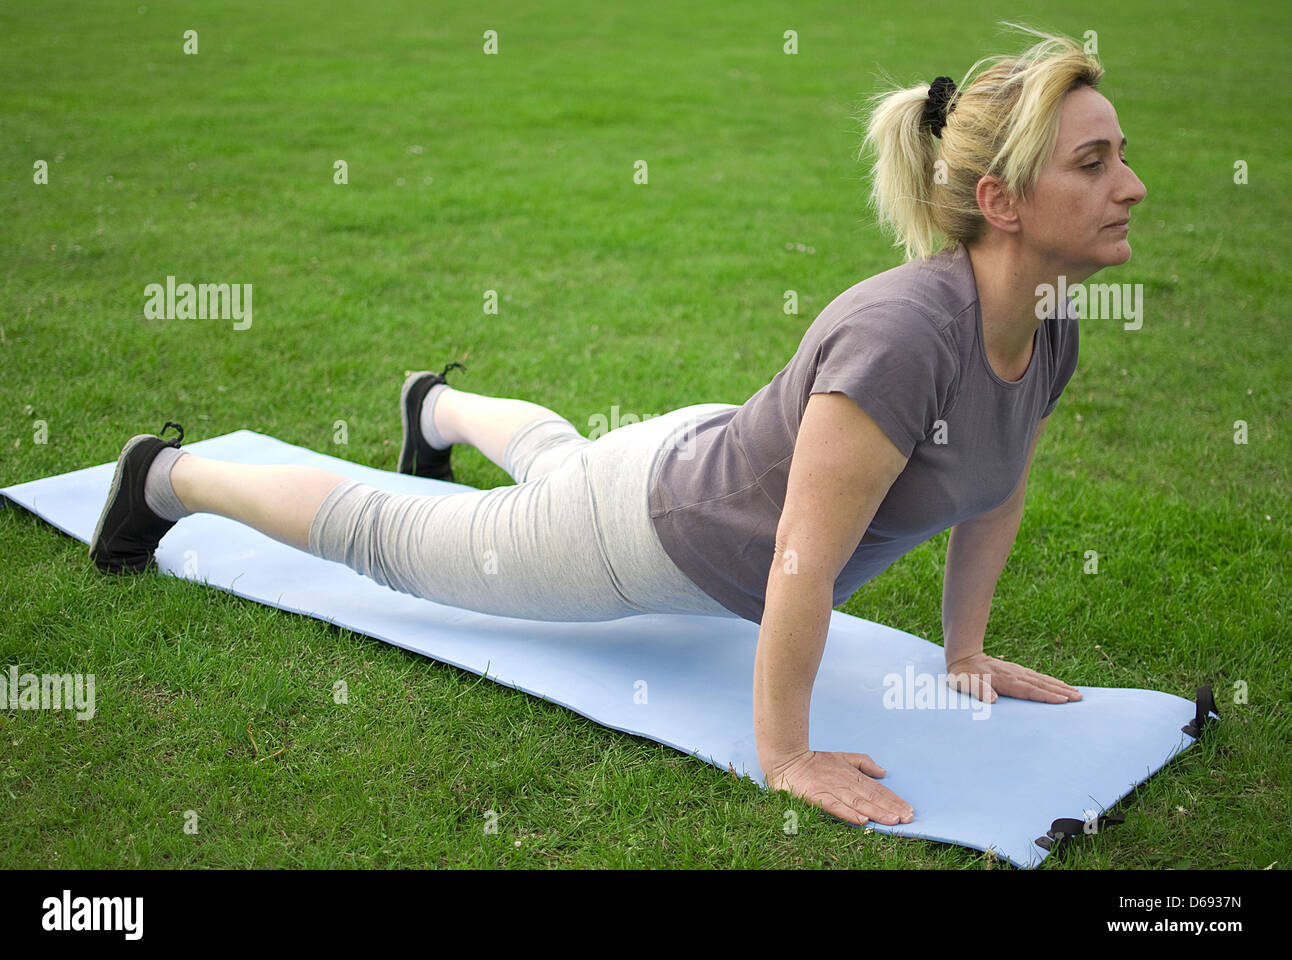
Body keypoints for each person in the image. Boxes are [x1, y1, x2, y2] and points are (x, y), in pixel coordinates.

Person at [89, 25, 1144, 831]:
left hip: (690, 462)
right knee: (389, 538)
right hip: (647, 530)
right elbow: (796, 560)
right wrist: (786, 758)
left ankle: (434, 407)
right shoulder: (904, 338)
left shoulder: (1046, 325)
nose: (1129, 186)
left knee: (561, 465)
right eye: (1091, 164)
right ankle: (169, 479)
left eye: (1119, 156)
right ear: (1001, 202)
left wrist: (965, 651)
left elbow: (993, 484)